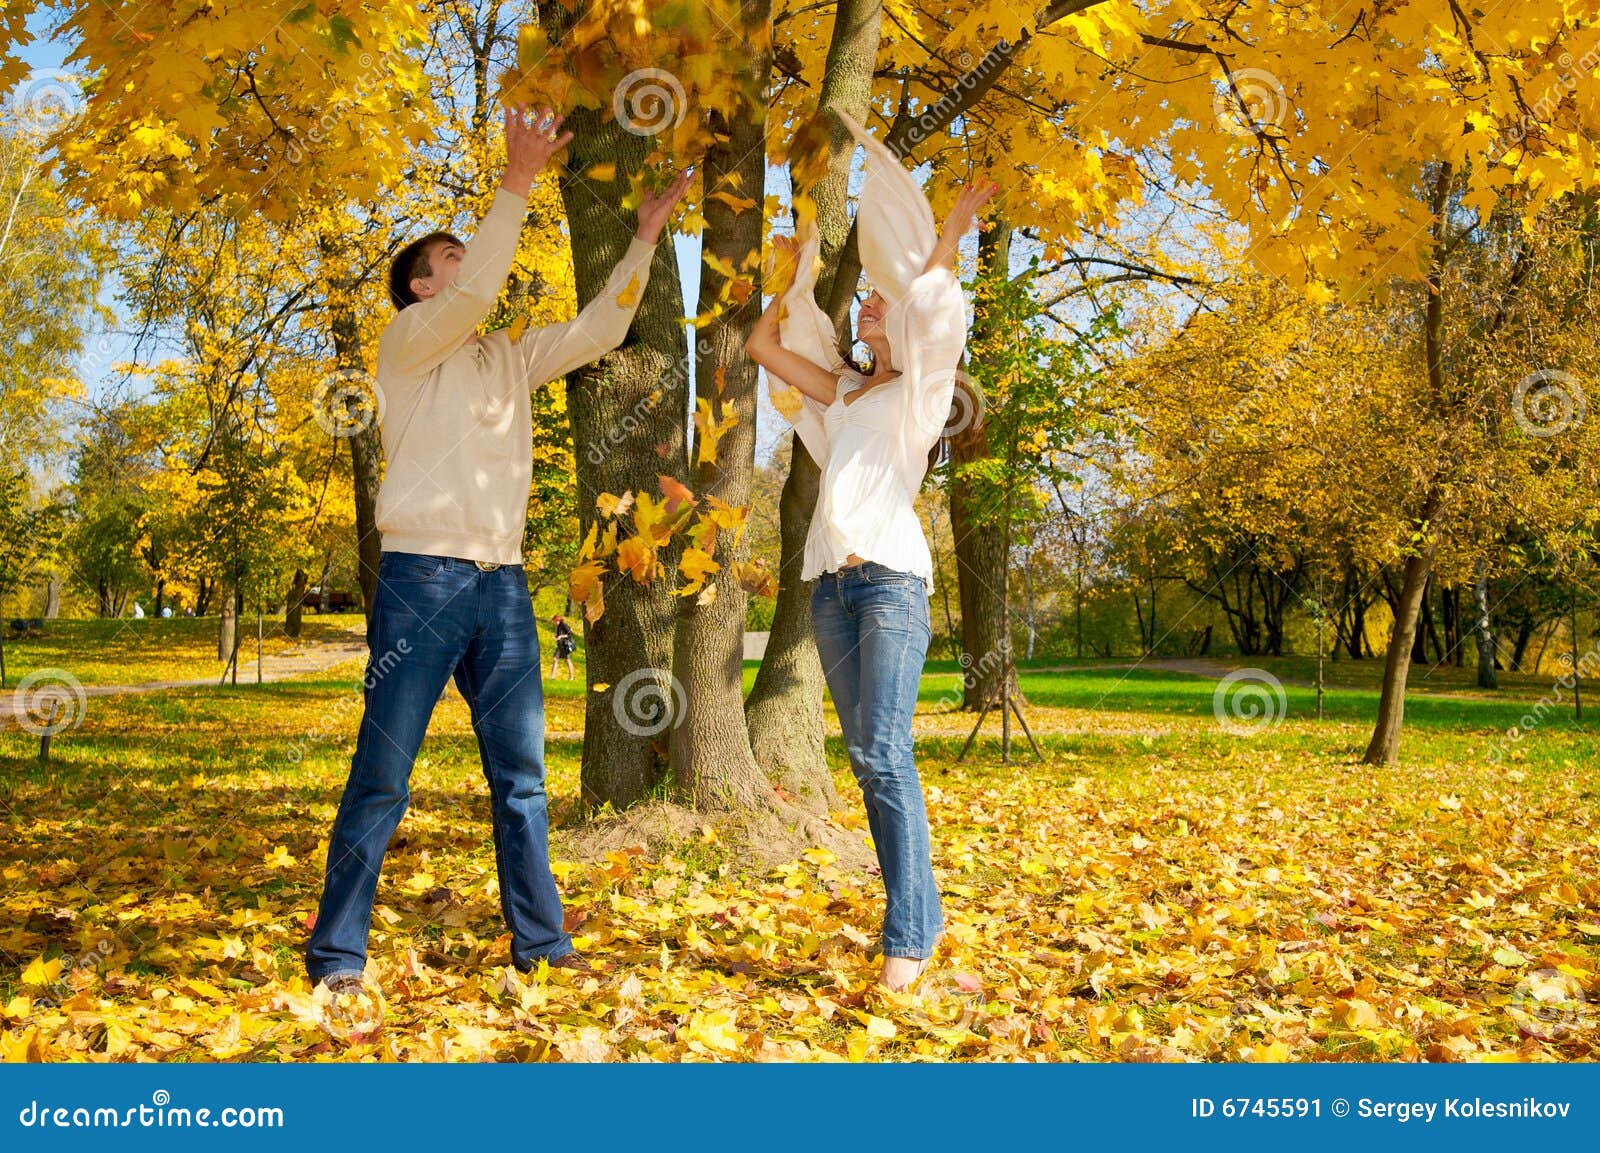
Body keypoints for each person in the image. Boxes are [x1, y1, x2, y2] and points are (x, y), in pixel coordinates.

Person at [305, 102, 692, 995]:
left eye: (462, 256)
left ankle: (542, 946)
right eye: (449, 261)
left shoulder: (510, 359)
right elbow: (481, 287)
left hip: (503, 588)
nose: (467, 270)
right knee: (383, 777)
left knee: (520, 780)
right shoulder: (405, 346)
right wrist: (515, 180)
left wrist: (640, 241)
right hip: (422, 583)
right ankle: (337, 959)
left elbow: (601, 330)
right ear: (421, 290)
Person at [745, 108, 997, 993]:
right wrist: (799, 265)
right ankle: (918, 924)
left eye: (876, 297)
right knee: (867, 758)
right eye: (866, 299)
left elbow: (932, 311)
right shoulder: (844, 395)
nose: (872, 303)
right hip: (832, 592)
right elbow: (763, 345)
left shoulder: (922, 396)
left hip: (890, 585)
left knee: (884, 754)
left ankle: (908, 940)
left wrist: (949, 236)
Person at [551, 614, 576, 680]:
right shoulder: (558, 626)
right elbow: (559, 635)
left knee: (567, 660)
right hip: (560, 646)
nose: (553, 623)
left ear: (557, 620)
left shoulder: (564, 625)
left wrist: (561, 636)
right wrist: (556, 637)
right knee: (555, 659)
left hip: (565, 646)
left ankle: (572, 677)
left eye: (554, 621)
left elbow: (570, 634)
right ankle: (552, 677)